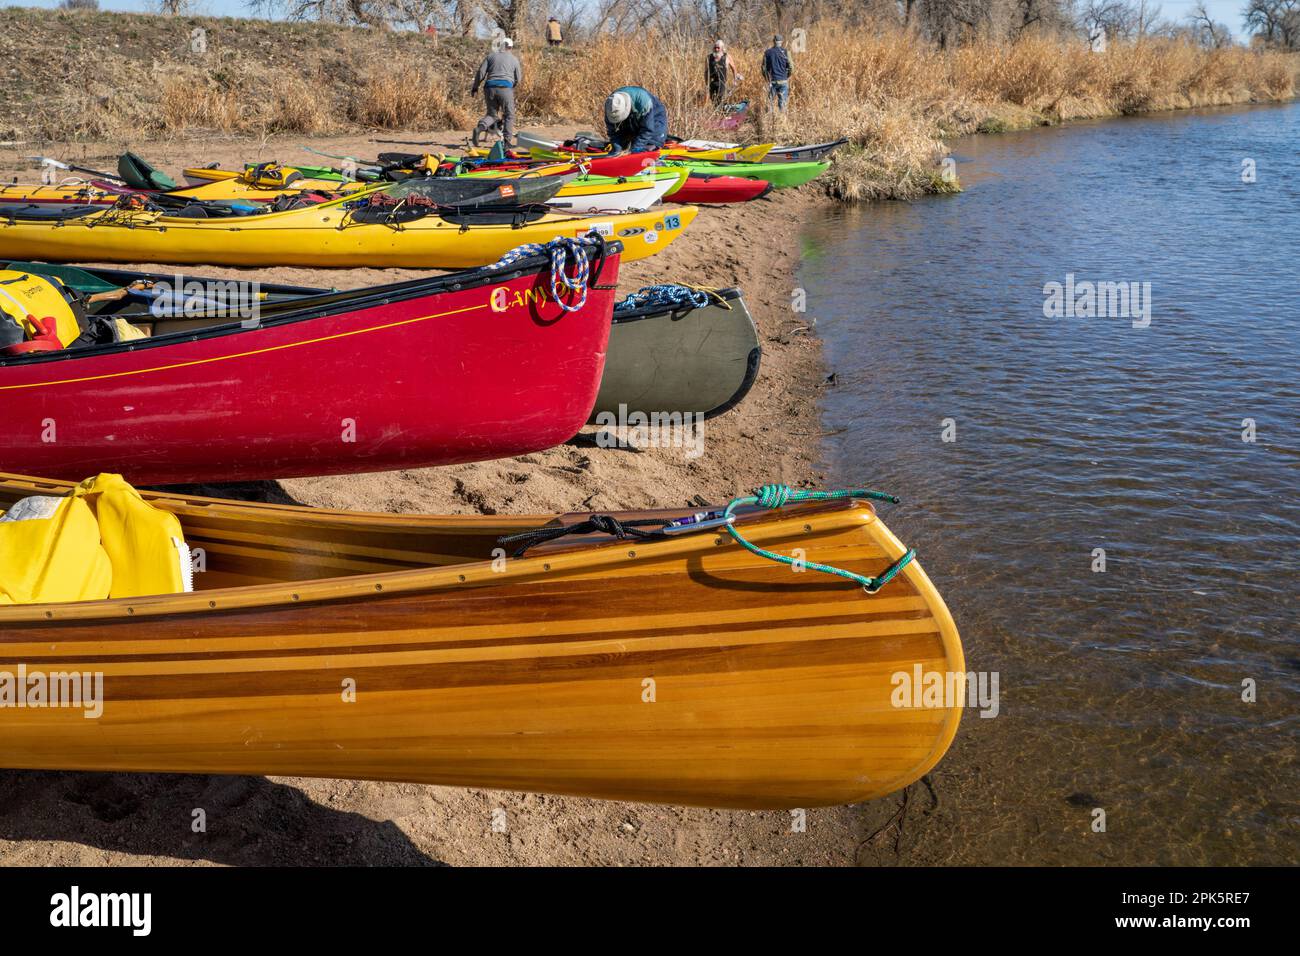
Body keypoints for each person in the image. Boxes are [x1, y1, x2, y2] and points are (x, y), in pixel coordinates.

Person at [470, 37, 522, 147]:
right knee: (509, 115)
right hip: (506, 88)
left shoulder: (491, 56)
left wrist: (475, 87)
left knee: (492, 115)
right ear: (511, 47)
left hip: (489, 88)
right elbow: (518, 78)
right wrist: (511, 87)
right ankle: (507, 142)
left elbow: (481, 73)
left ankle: (479, 129)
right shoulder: (514, 59)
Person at [604, 86, 668, 154]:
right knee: (622, 145)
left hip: (654, 114)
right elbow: (612, 132)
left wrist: (636, 148)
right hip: (633, 115)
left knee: (650, 145)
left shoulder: (643, 102)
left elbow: (647, 129)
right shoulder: (611, 105)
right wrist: (617, 148)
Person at [761, 33, 792, 112]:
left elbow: (763, 68)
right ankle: (782, 121)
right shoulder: (786, 52)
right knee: (783, 103)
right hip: (783, 80)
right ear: (781, 42)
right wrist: (787, 75)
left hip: (772, 81)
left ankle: (768, 120)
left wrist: (767, 78)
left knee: (770, 102)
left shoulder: (767, 52)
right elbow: (791, 67)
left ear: (773, 41)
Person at [705, 39, 741, 107]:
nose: (716, 49)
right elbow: (706, 71)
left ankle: (722, 113)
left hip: (722, 82)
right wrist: (706, 83)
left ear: (722, 48)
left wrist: (735, 80)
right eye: (715, 47)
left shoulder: (727, 57)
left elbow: (734, 68)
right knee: (713, 100)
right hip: (712, 83)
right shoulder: (709, 57)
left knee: (720, 98)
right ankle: (717, 114)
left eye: (718, 48)